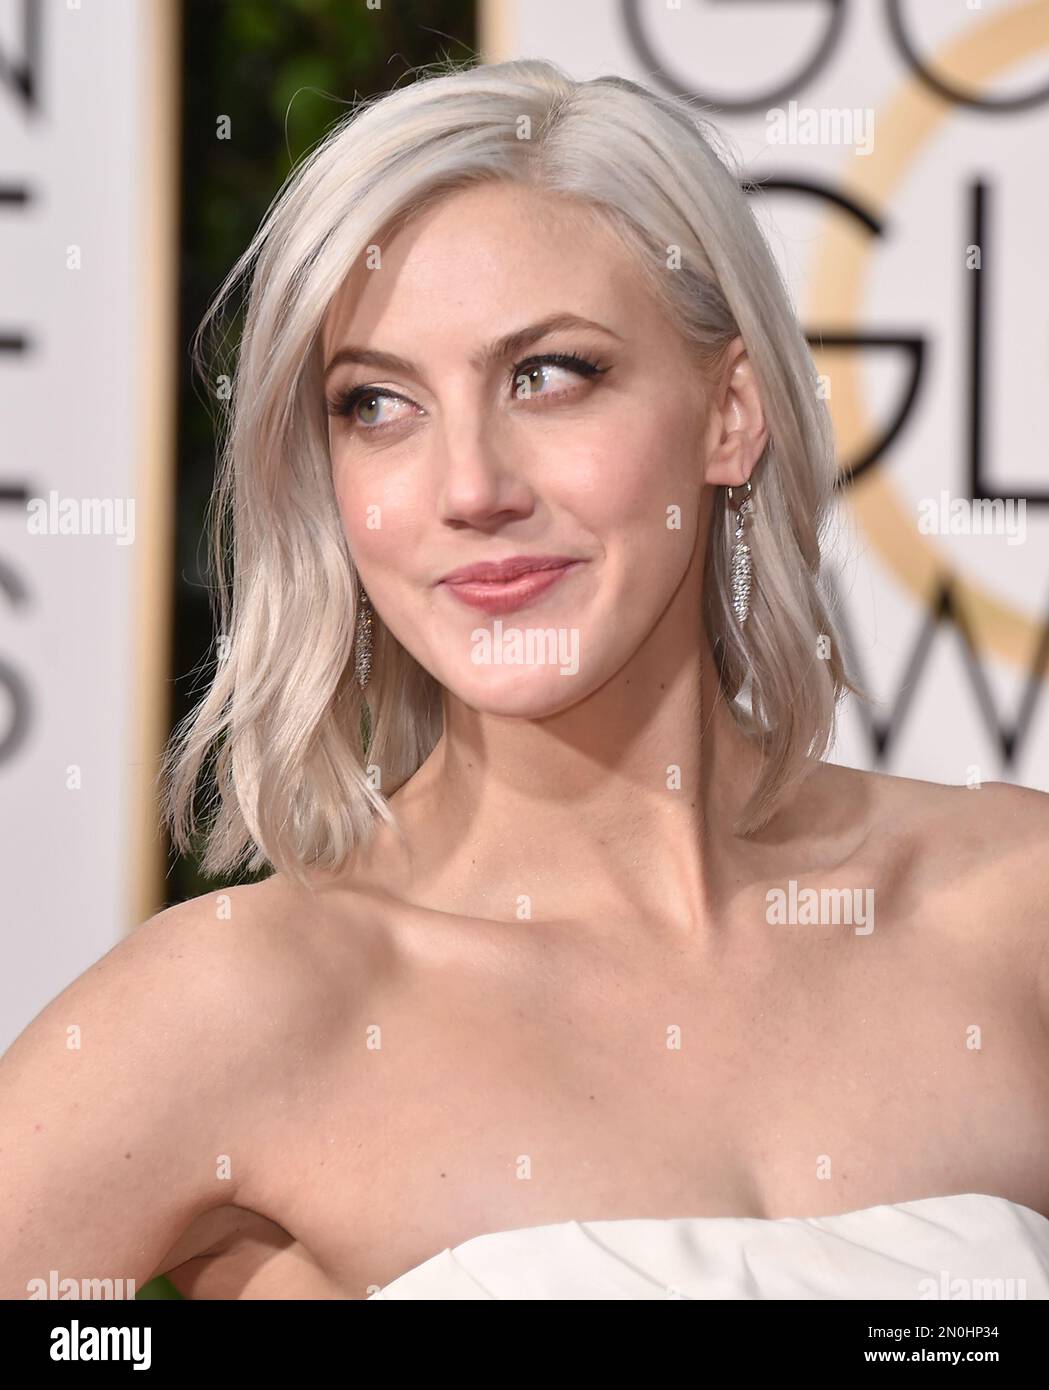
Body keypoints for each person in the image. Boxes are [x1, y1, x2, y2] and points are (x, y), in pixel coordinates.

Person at [2, 57, 1048, 1302]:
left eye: (547, 375)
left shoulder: (1010, 912)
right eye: (376, 404)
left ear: (730, 414)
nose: (469, 486)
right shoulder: (248, 1005)